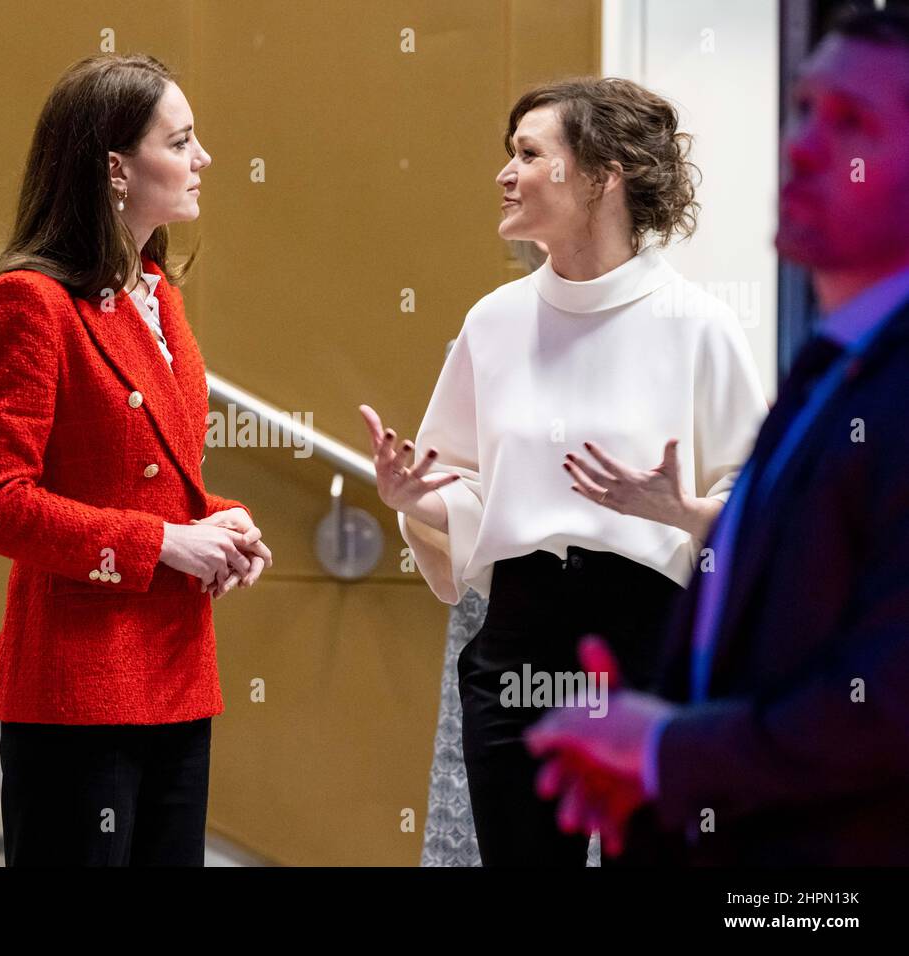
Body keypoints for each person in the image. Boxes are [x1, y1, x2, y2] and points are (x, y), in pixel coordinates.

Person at [527, 6, 909, 866]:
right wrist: (659, 731)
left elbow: (886, 704)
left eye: (853, 123)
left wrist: (665, 749)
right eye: (804, 110)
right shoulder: (830, 363)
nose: (805, 146)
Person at [360, 76, 767, 865]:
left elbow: (761, 511)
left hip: (648, 645)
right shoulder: (494, 321)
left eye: (528, 153)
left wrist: (679, 510)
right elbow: (469, 489)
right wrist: (418, 497)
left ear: (601, 175)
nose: (504, 173)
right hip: (517, 644)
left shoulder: (700, 325)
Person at [0, 53, 272, 866]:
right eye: (183, 141)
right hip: (78, 689)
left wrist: (214, 523)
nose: (204, 160)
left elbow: (150, 469)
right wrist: (164, 544)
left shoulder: (160, 292)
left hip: (176, 668)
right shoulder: (28, 302)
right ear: (117, 169)